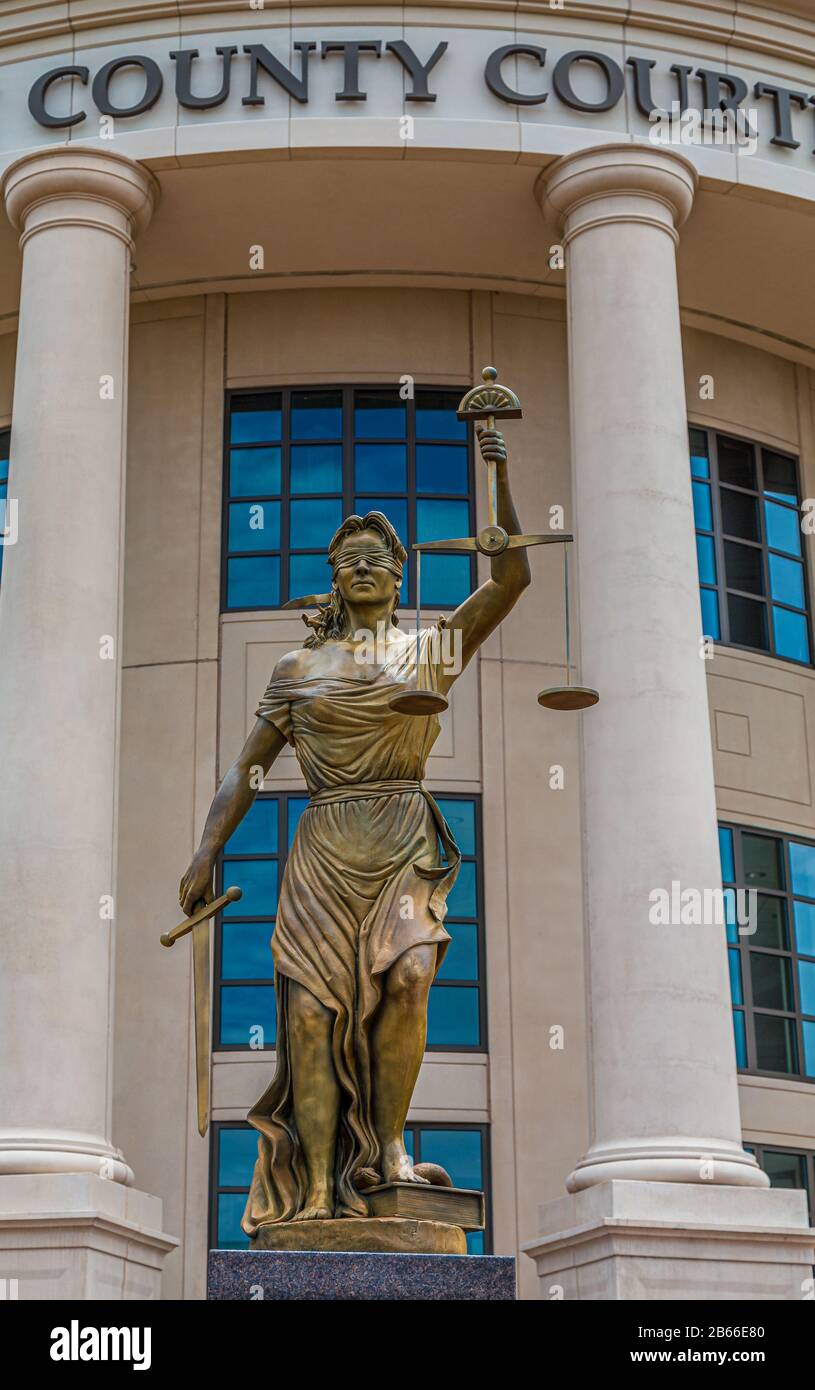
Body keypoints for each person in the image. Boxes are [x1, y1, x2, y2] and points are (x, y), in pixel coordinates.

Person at [178, 426, 530, 1232]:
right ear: (333, 579)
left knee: (407, 983)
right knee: (309, 1015)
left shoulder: (430, 650)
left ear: (400, 573)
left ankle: (393, 1150)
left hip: (402, 833)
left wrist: (497, 470)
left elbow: (511, 575)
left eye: (378, 555)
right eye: (349, 559)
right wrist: (208, 845)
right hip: (324, 847)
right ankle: (311, 1194)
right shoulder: (296, 672)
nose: (363, 564)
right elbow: (248, 768)